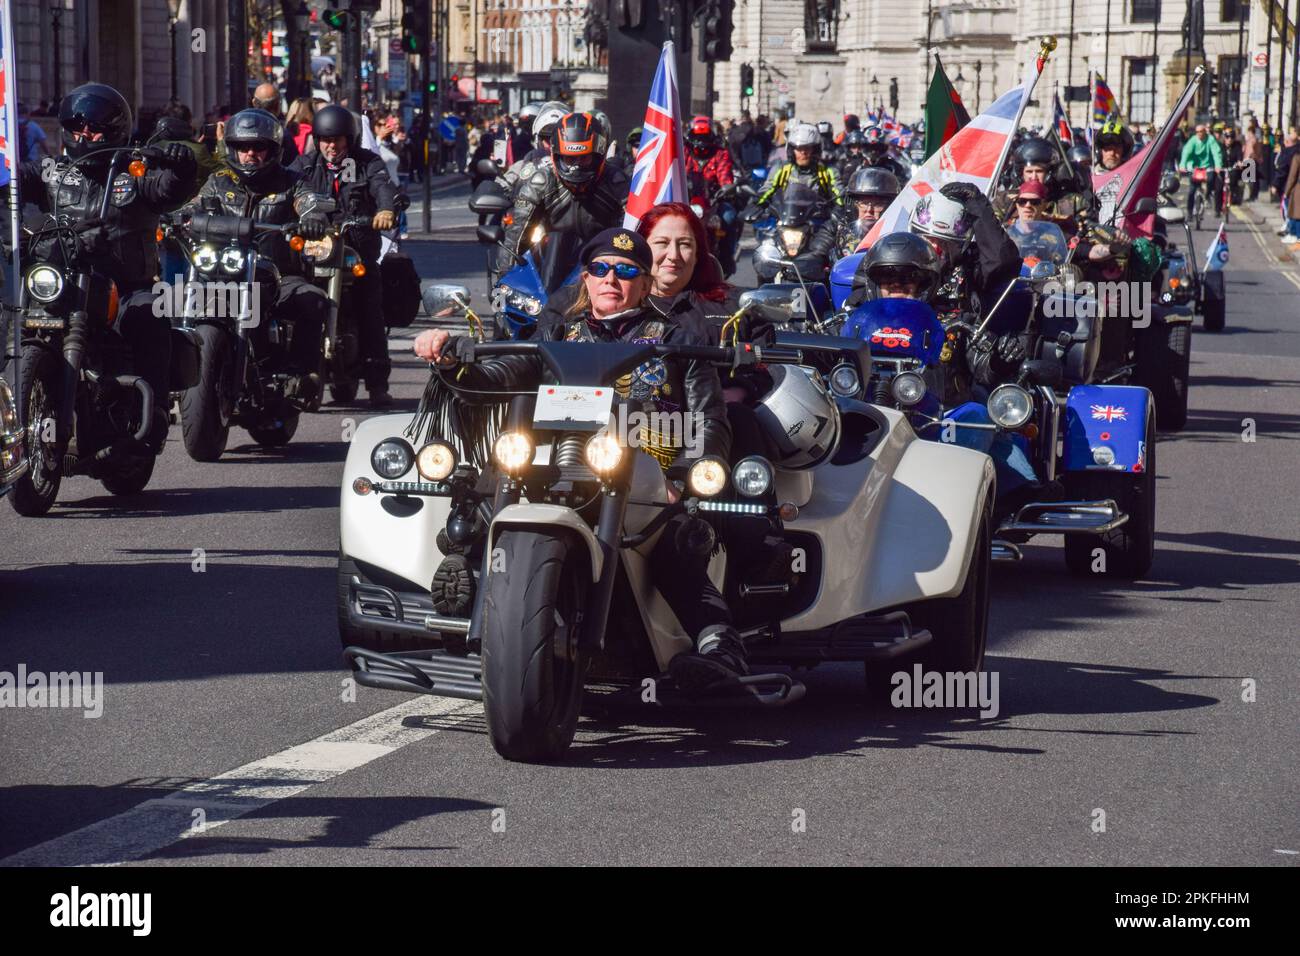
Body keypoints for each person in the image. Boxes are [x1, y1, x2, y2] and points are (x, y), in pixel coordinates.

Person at [413, 227, 748, 690]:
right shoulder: (555, 334)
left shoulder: (677, 338)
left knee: (677, 543)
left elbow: (709, 418)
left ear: (646, 282)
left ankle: (719, 644)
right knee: (478, 492)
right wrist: (453, 361)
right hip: (551, 466)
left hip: (646, 474)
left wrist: (688, 473)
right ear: (586, 279)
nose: (612, 278)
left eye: (627, 271)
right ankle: (467, 582)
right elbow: (501, 376)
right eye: (601, 269)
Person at [19, 82, 197, 451]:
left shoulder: (134, 173)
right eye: (75, 128)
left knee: (149, 314)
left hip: (126, 285)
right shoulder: (53, 172)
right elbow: (14, 186)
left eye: (93, 128)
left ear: (115, 130)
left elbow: (171, 189)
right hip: (65, 278)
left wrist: (181, 165)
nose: (83, 135)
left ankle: (158, 410)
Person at [182, 108, 329, 406]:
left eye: (258, 147)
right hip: (223, 271)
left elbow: (309, 202)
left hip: (279, 275)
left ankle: (300, 374)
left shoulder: (292, 182)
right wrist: (176, 215)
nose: (251, 154)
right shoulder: (218, 182)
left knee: (313, 299)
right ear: (232, 149)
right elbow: (195, 205)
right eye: (242, 147)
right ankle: (176, 375)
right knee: (170, 299)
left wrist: (313, 217)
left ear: (272, 150)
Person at [292, 105, 400, 406]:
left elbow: (382, 187)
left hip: (357, 252)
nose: (331, 146)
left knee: (370, 308)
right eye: (325, 140)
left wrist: (385, 209)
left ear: (349, 140)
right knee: (298, 301)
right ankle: (300, 376)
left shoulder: (368, 164)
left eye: (337, 140)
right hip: (317, 252)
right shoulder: (306, 165)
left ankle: (377, 383)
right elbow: (287, 188)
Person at [494, 111, 629, 286]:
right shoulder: (541, 182)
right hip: (547, 267)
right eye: (570, 159)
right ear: (556, 154)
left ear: (599, 154)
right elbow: (515, 238)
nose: (576, 166)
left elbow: (635, 232)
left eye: (584, 158)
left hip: (604, 268)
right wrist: (505, 281)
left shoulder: (617, 183)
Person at [802, 165, 900, 272]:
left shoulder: (900, 229)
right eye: (863, 203)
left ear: (891, 205)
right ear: (853, 205)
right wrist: (810, 266)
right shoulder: (837, 226)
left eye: (878, 204)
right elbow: (816, 253)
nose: (869, 210)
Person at [751, 122, 843, 212]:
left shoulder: (828, 171)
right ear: (791, 150)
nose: (803, 152)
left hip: (818, 221)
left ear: (815, 150)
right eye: (799, 148)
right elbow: (768, 188)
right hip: (786, 218)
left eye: (807, 148)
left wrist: (845, 207)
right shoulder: (782, 169)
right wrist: (755, 204)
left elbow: (840, 193)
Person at [1177, 123, 1224, 218]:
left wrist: (1218, 166)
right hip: (1194, 167)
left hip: (1208, 167)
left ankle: (1207, 196)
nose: (1199, 133)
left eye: (1201, 131)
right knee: (1192, 190)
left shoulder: (1210, 140)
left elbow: (1216, 152)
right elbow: (1186, 152)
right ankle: (1190, 212)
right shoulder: (1193, 140)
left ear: (1205, 132)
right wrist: (1182, 165)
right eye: (1197, 132)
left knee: (1211, 180)